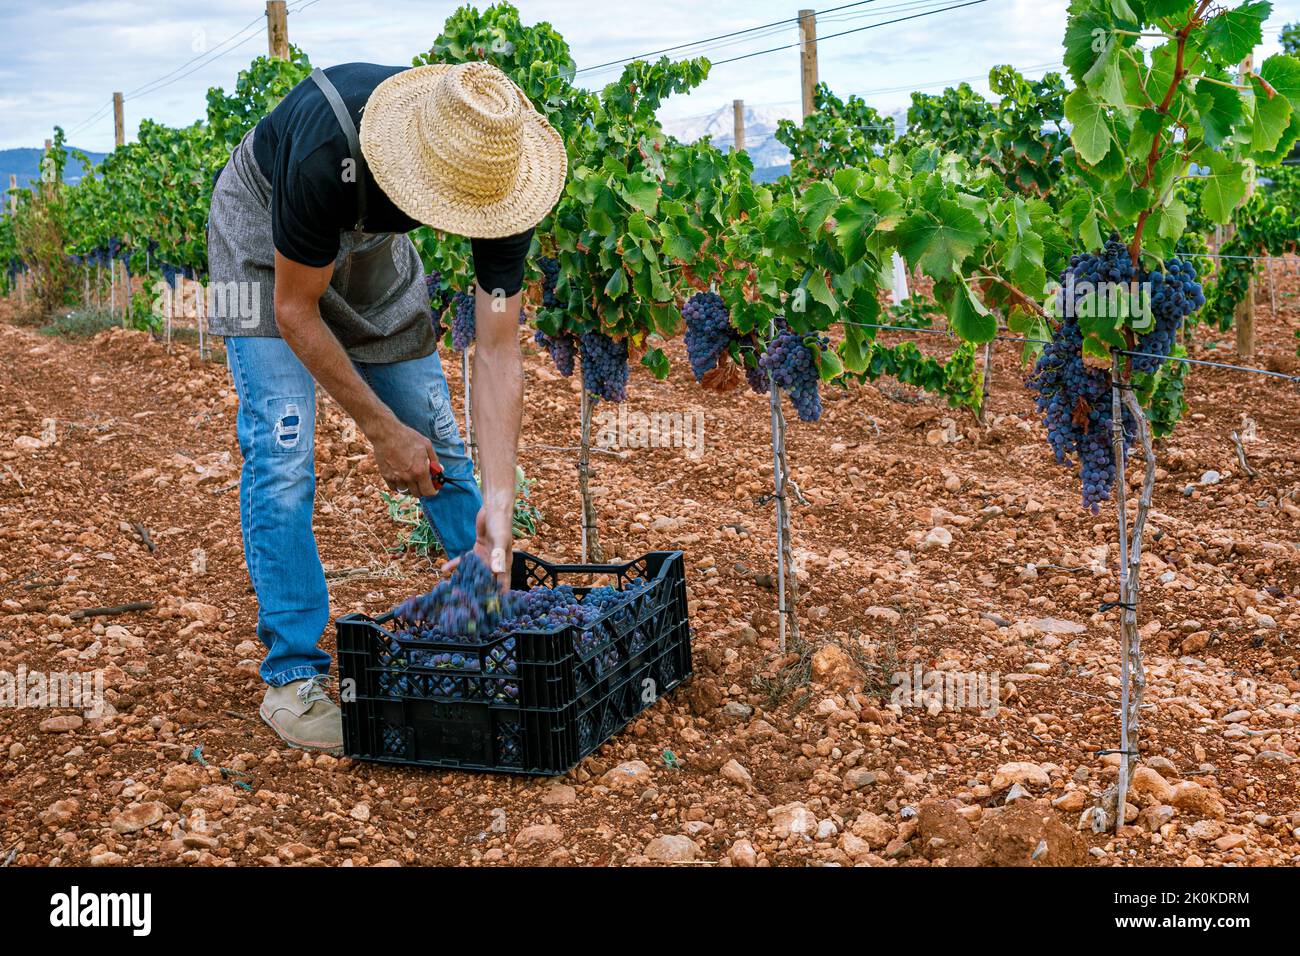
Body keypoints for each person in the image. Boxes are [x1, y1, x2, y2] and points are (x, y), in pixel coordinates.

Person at [206, 60, 566, 754]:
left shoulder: (504, 179)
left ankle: (489, 627)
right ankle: (291, 678)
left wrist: (499, 494)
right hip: (263, 240)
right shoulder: (323, 154)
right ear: (418, 167)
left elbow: (495, 351)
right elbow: (294, 310)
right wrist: (378, 430)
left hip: (372, 242)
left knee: (439, 440)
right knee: (282, 453)